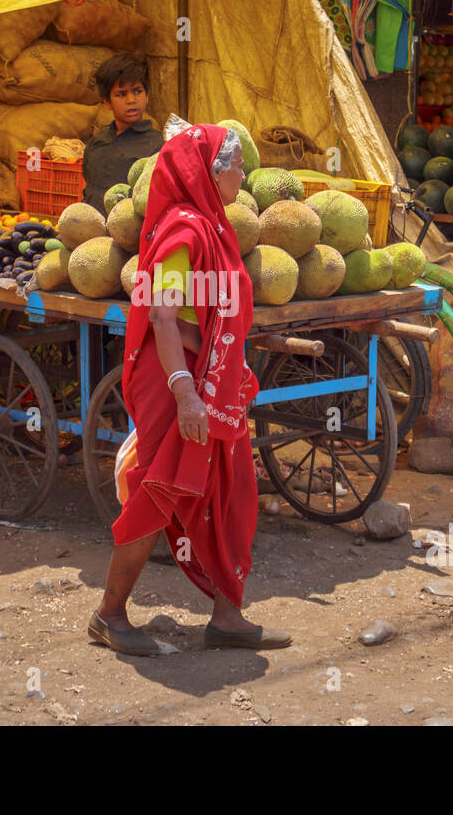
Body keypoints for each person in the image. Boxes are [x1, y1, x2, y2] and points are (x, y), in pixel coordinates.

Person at [88, 123, 291, 656]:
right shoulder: (184, 232)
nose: (243, 175)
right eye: (235, 166)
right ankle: (108, 614)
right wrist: (185, 393)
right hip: (178, 381)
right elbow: (162, 313)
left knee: (226, 488)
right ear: (209, 170)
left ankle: (227, 616)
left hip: (212, 383)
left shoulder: (213, 225)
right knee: (163, 485)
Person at [81, 53, 163, 214]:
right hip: (91, 230)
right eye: (121, 94)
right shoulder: (95, 144)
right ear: (107, 102)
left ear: (147, 96)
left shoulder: (157, 146)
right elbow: (88, 191)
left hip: (129, 233)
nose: (131, 100)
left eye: (137, 91)